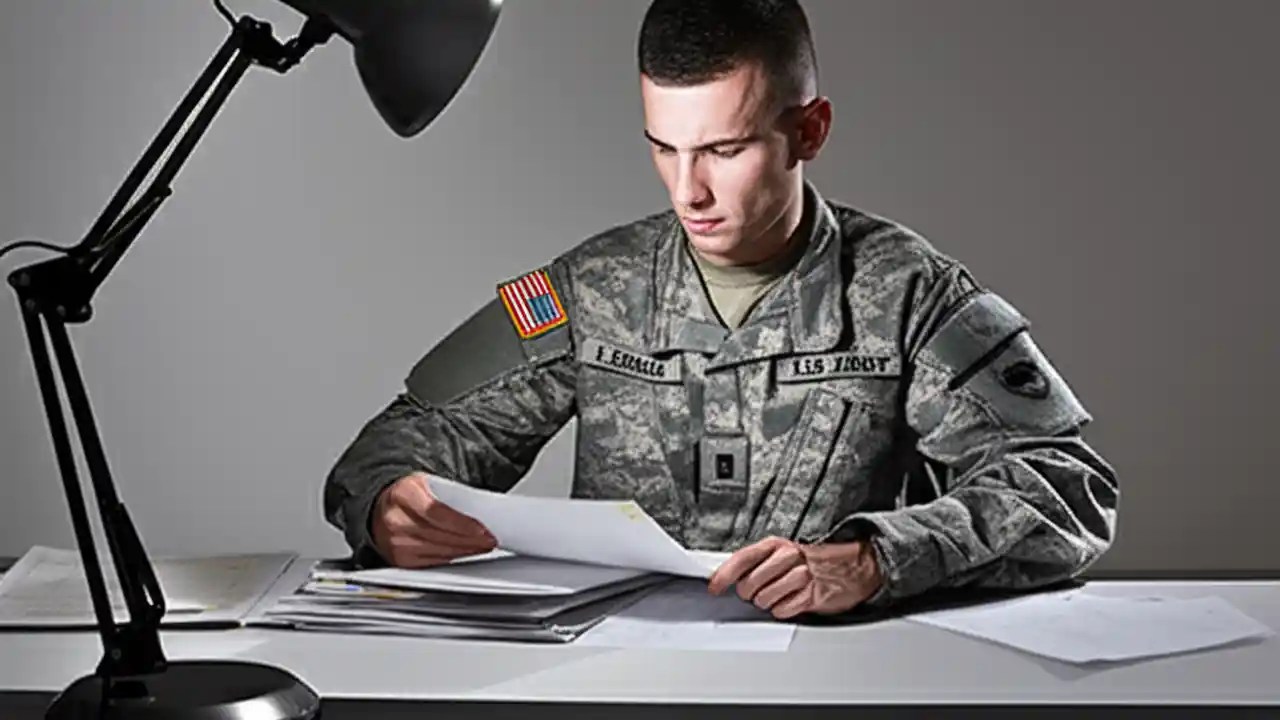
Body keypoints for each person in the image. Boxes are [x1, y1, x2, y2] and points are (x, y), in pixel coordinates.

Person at [322, 0, 1119, 620]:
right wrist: (390, 502)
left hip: (833, 679)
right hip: (612, 683)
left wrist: (877, 558)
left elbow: (1067, 488)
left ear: (809, 131)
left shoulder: (908, 293)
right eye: (663, 148)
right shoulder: (595, 288)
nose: (687, 191)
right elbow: (404, 439)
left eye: (723, 151)